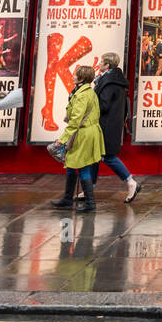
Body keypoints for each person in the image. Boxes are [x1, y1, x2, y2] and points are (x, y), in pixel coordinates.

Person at [52, 64, 104, 213]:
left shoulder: (82, 95)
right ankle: (68, 199)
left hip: (83, 134)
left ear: (81, 78)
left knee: (83, 167)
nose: (73, 76)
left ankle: (90, 203)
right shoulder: (88, 92)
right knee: (71, 164)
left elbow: (75, 120)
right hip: (85, 132)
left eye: (76, 74)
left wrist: (61, 139)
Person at [92, 53, 141, 202]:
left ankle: (131, 182)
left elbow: (104, 105)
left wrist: (89, 106)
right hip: (110, 123)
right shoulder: (114, 79)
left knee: (107, 157)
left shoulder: (108, 81)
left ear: (107, 65)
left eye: (101, 62)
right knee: (93, 156)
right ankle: (89, 188)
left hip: (105, 124)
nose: (99, 64)